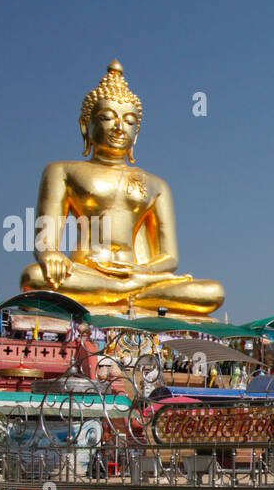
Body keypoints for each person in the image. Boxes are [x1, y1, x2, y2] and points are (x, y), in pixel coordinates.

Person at [19, 61, 225, 316]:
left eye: (129, 122)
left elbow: (170, 257)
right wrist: (50, 254)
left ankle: (116, 298)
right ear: (85, 125)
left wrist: (140, 274)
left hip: (141, 275)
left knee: (212, 292)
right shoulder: (62, 171)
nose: (119, 128)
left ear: (136, 133)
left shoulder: (157, 185)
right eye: (107, 118)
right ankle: (129, 298)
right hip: (87, 273)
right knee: (34, 277)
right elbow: (45, 239)